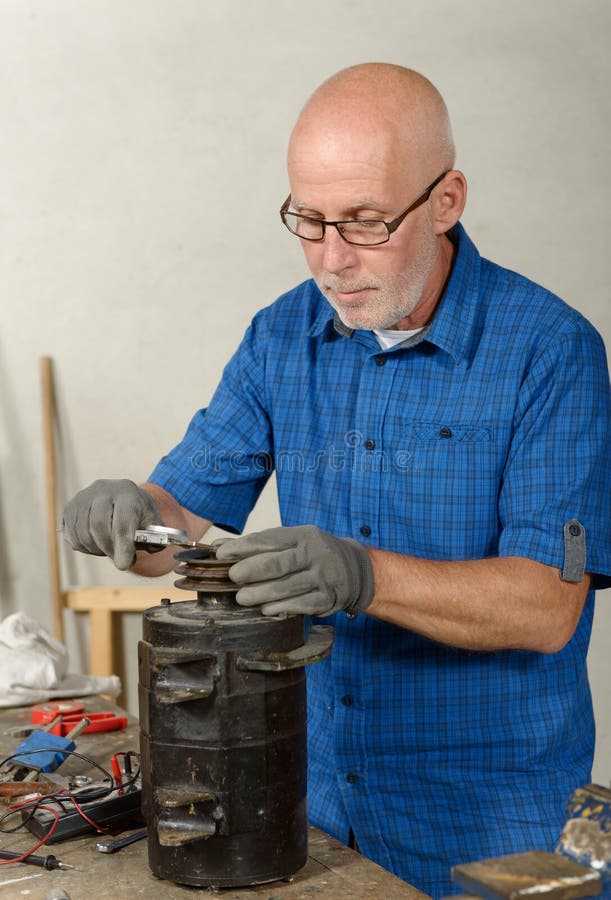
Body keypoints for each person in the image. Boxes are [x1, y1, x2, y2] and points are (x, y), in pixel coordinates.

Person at [62, 63, 611, 897]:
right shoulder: (283, 335)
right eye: (308, 221)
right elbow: (177, 523)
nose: (331, 259)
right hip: (308, 797)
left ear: (445, 200)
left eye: (364, 223)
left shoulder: (550, 351)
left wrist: (361, 574)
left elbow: (545, 607)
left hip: (492, 820)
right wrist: (131, 515)